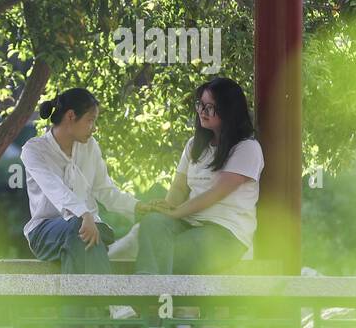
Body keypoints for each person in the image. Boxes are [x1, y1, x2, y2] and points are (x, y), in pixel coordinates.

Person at [135, 77, 264, 276]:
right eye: (200, 105)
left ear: (229, 110)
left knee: (179, 249)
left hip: (226, 233)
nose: (202, 112)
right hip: (189, 224)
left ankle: (160, 301)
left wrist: (175, 213)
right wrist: (166, 209)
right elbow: (179, 188)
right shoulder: (194, 145)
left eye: (210, 107)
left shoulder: (247, 148)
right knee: (153, 223)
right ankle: (147, 292)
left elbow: (216, 193)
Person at [20, 87, 156, 274]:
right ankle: (108, 299)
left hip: (88, 229)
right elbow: (55, 189)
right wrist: (85, 214)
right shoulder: (34, 150)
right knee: (82, 230)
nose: (94, 128)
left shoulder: (90, 147)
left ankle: (84, 303)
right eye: (90, 120)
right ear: (70, 116)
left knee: (83, 239)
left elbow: (105, 190)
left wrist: (139, 207)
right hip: (44, 233)